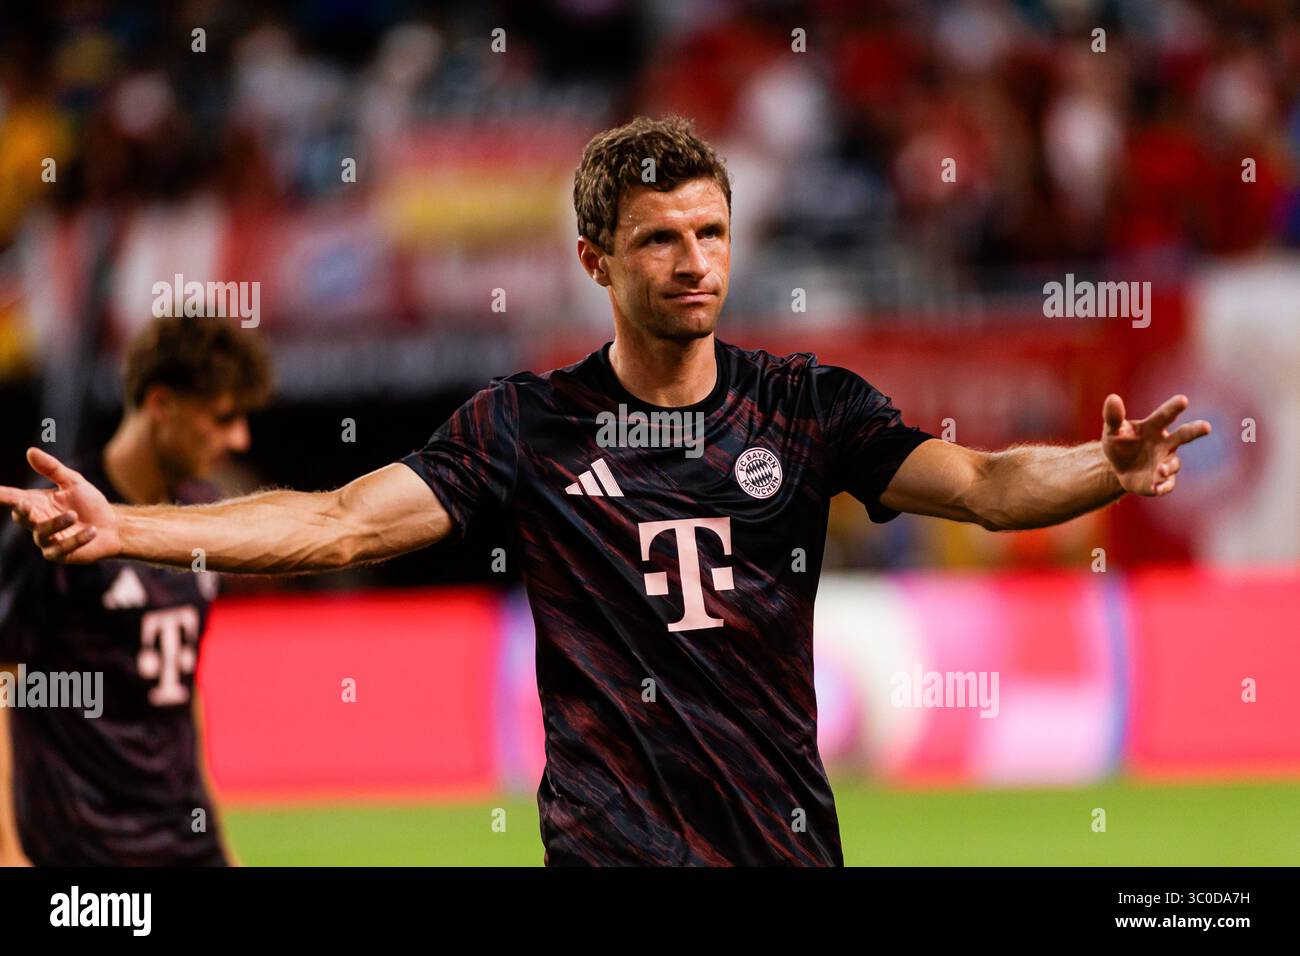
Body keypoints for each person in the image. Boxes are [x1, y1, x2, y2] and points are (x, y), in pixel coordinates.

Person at [0, 115, 1209, 866]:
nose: (694, 261)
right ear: (594, 259)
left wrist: (1098, 469)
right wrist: (122, 525)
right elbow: (332, 522)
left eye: (712, 232)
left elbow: (993, 486)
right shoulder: (525, 427)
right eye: (659, 239)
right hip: (608, 848)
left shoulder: (805, 406)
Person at [0, 315, 272, 865]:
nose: (239, 438)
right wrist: (6, 852)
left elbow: (178, 700)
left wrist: (216, 838)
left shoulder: (202, 517)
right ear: (161, 403)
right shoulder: (54, 521)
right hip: (85, 850)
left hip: (184, 841)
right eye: (222, 417)